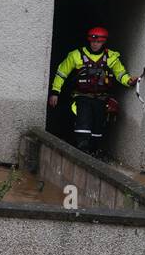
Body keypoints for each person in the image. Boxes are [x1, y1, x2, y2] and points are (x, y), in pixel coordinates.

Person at [49, 25, 138, 156]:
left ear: (103, 42)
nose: (95, 44)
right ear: (89, 40)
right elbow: (61, 73)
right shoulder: (76, 55)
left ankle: (95, 151)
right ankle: (82, 150)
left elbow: (120, 74)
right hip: (82, 96)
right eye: (93, 41)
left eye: (98, 42)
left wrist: (129, 81)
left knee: (98, 127)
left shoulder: (111, 57)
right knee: (83, 122)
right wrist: (55, 93)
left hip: (101, 98)